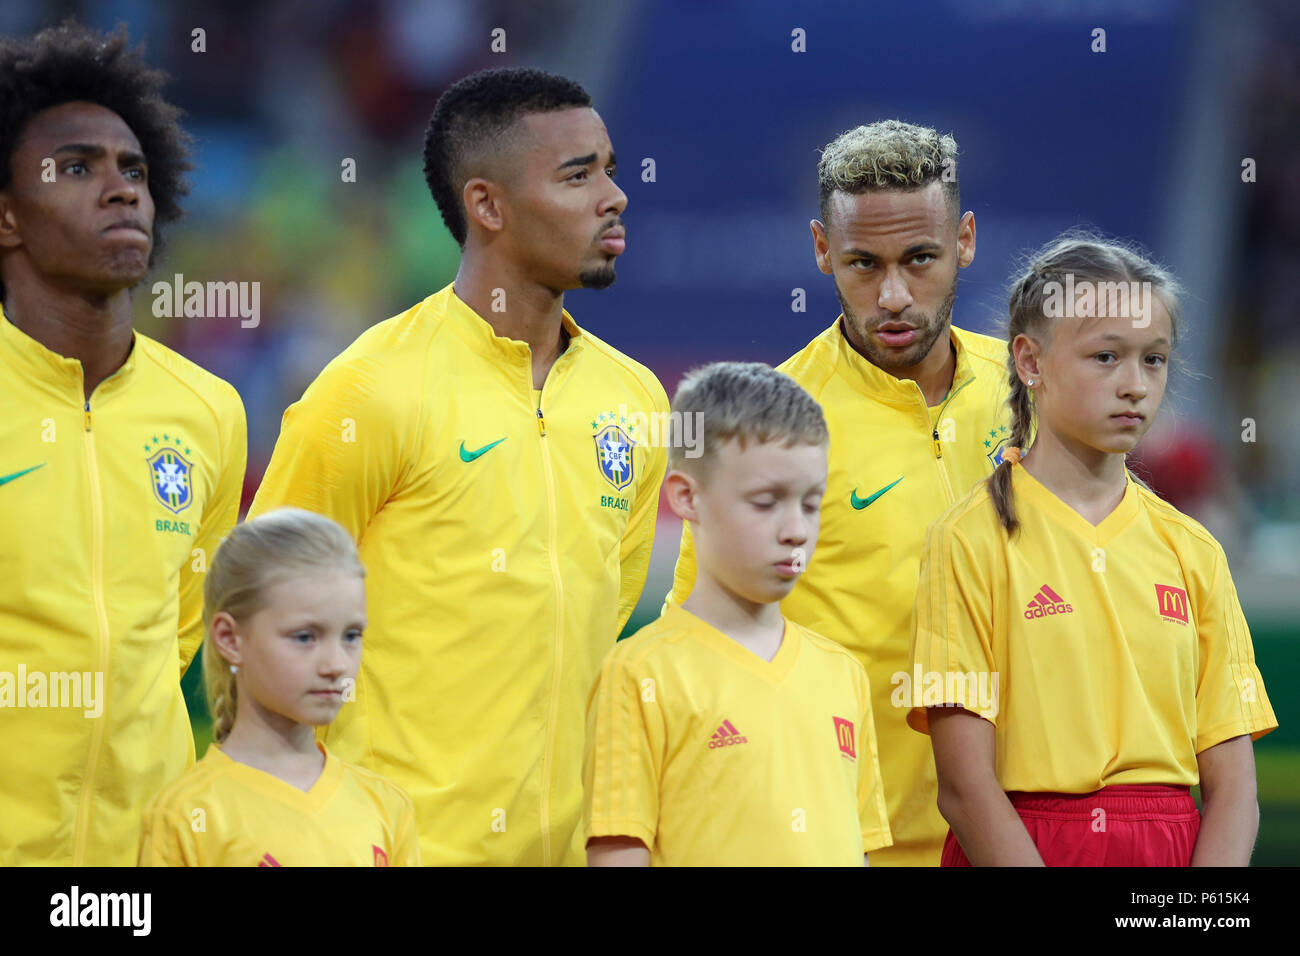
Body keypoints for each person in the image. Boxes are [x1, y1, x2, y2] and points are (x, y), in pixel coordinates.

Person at [248, 67, 669, 866]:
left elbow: (604, 621)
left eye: (609, 169)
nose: (614, 196)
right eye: (578, 175)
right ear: (487, 206)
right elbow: (261, 620)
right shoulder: (369, 390)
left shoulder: (637, 400)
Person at [666, 120, 1007, 865]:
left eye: (921, 259)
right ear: (822, 249)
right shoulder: (768, 426)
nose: (893, 296)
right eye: (862, 264)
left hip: (1029, 838)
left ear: (967, 240)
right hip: (848, 845)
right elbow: (696, 657)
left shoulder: (1032, 394)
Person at [909, 234, 1278, 866]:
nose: (1134, 385)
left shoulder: (1194, 550)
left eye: (1154, 360)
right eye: (1106, 357)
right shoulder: (967, 542)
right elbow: (966, 790)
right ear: (1029, 361)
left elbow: (1235, 788)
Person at [0, 21, 246, 865]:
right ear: (6, 215)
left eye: (133, 171)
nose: (120, 189)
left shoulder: (210, 412)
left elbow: (182, 633)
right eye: (77, 168)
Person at [585, 363, 891, 865]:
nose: (795, 530)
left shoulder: (842, 674)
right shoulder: (639, 676)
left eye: (811, 504)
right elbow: (618, 853)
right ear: (688, 497)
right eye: (766, 502)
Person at [139, 509, 419, 866]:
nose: (336, 664)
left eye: (351, 635)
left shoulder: (388, 806)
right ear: (230, 638)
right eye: (304, 637)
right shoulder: (186, 816)